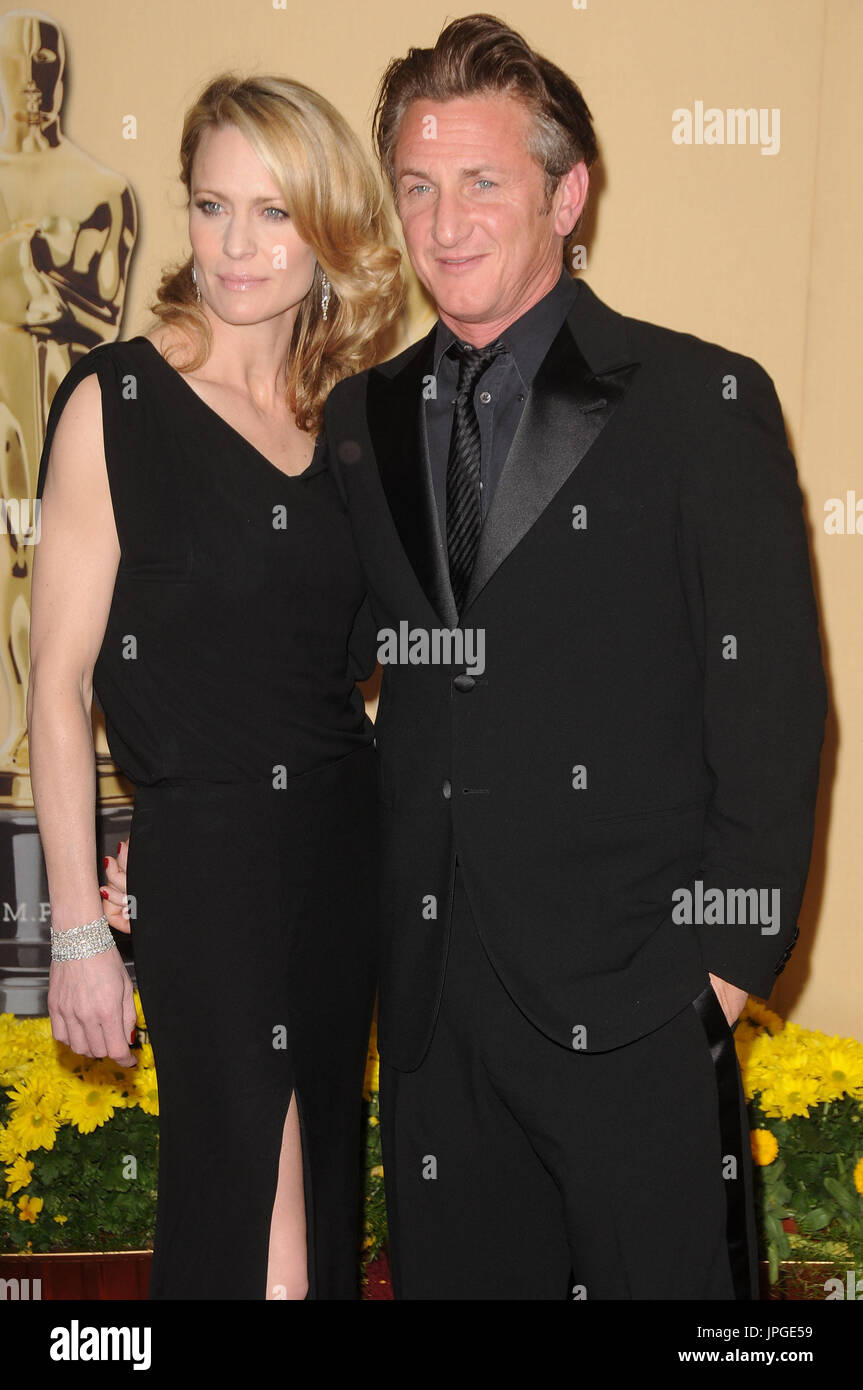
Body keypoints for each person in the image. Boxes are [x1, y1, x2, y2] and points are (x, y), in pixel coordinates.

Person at [108, 16, 828, 1300]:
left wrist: (713, 980)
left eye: (482, 181)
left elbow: (773, 713)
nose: (445, 220)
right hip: (433, 1015)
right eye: (420, 186)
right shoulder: (361, 415)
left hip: (639, 1005)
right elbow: (297, 654)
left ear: (566, 192)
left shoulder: (699, 401)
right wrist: (175, 811)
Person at [28, 72, 403, 1300]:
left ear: (329, 229)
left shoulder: (343, 425)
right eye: (211, 205)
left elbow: (364, 679)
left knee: (314, 1210)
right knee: (264, 1232)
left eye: (274, 212)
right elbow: (59, 678)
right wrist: (79, 925)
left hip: (341, 857)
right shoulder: (117, 403)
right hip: (204, 864)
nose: (238, 245)